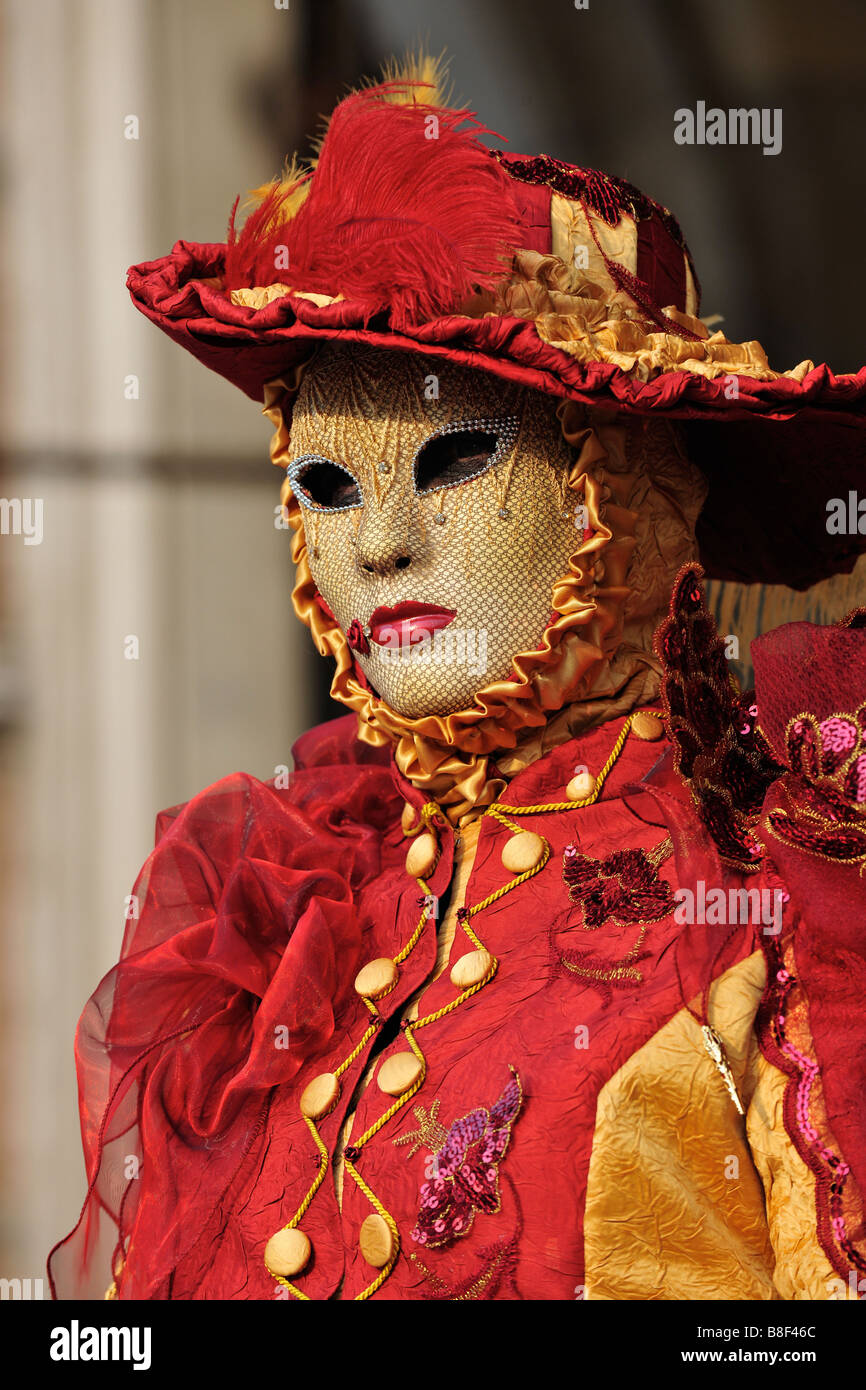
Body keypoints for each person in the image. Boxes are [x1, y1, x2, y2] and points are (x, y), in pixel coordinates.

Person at [49, 56, 866, 1301]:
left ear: (621, 485)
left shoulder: (783, 919)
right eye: (326, 485)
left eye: (451, 462)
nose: (377, 546)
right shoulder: (298, 925)